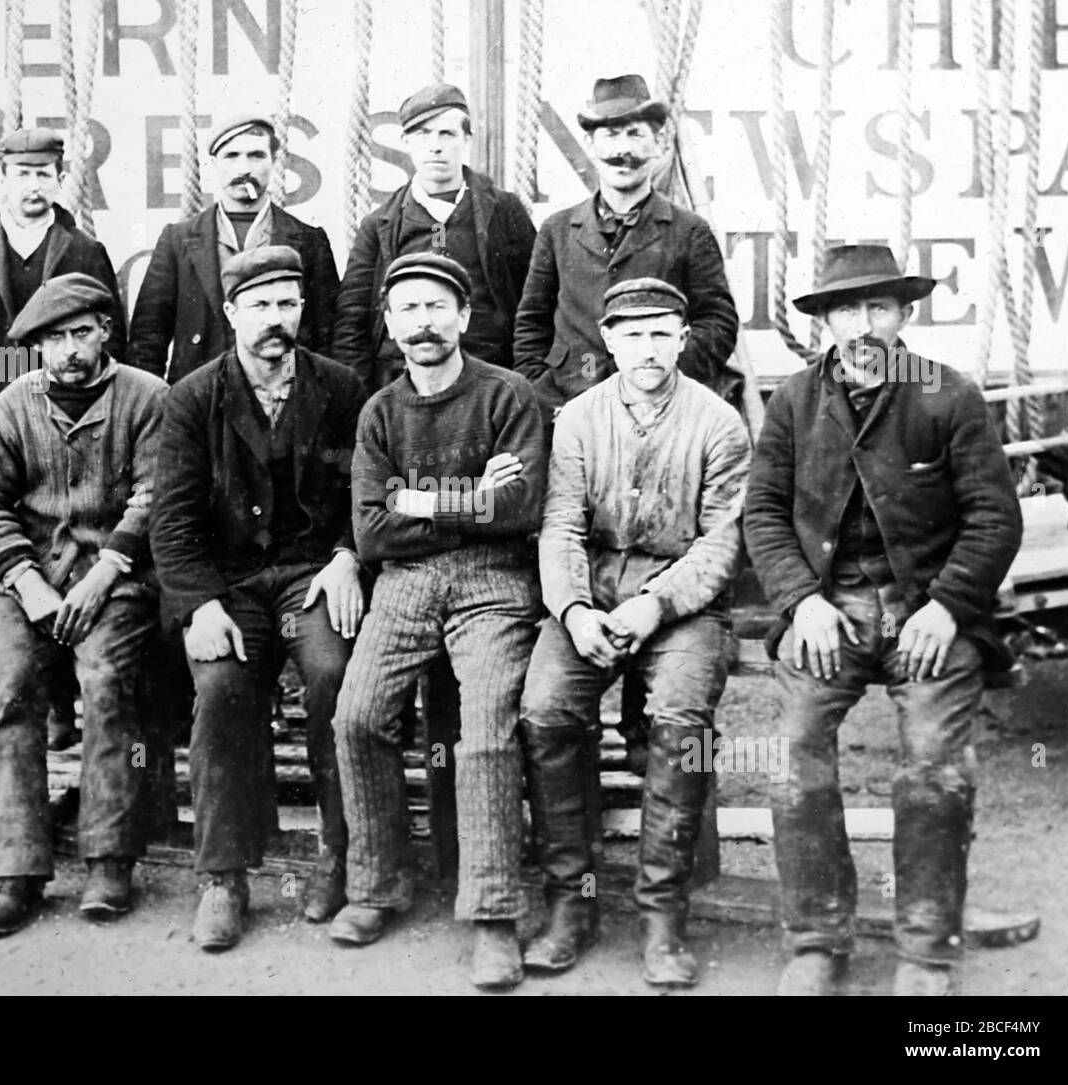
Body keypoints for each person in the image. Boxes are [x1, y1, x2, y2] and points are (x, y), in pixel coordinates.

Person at [742, 244, 1023, 996]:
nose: (861, 324)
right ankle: (815, 938)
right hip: (825, 613)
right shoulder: (794, 401)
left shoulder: (946, 395)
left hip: (925, 614)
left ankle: (928, 950)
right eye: (844, 309)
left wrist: (949, 605)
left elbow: (995, 518)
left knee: (932, 768)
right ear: (825, 321)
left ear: (903, 314)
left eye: (877, 307)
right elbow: (763, 513)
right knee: (793, 761)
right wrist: (801, 600)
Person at [521, 278, 750, 987]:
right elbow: (559, 525)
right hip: (592, 590)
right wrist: (574, 610)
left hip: (681, 599)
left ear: (684, 339)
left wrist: (657, 603)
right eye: (632, 333)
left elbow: (721, 543)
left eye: (661, 333)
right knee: (546, 710)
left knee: (682, 721)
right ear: (608, 340)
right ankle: (572, 900)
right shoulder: (578, 419)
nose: (646, 348)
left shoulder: (719, 423)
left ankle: (662, 913)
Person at [327, 253, 545, 990]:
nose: (422, 323)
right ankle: (375, 884)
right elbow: (371, 533)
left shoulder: (507, 395)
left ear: (463, 316)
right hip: (405, 581)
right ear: (389, 326)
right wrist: (467, 501)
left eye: (435, 307)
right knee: (356, 716)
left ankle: (492, 914)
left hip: (496, 581)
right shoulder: (381, 411)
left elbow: (518, 510)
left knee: (484, 729)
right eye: (407, 311)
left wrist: (418, 501)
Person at [149, 246, 368, 951]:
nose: (275, 319)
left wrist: (345, 556)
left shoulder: (339, 388)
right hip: (229, 582)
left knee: (334, 675)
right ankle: (222, 874)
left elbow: (365, 493)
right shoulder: (190, 396)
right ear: (232, 312)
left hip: (311, 572)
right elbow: (173, 518)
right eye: (261, 305)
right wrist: (199, 604)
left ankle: (338, 854)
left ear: (303, 309)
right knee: (219, 689)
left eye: (287, 303)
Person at [0, 273, 166, 937]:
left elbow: (152, 495)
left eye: (82, 332)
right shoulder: (10, 409)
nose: (70, 350)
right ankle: (17, 867)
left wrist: (103, 574)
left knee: (107, 685)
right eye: (55, 338)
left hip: (118, 579)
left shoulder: (146, 397)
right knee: (15, 695)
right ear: (37, 346)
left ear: (105, 330)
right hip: (30, 585)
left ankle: (110, 857)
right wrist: (31, 587)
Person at [0, 127, 126, 751]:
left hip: (71, 432)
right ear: (3, 180)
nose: (33, 185)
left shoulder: (84, 248)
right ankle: (40, 704)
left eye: (44, 174)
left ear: (59, 180)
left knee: (72, 554)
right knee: (10, 565)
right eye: (21, 174)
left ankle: (68, 707)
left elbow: (108, 340)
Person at [512, 74, 739, 419]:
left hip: (663, 409)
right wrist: (545, 394)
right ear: (590, 144)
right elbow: (531, 325)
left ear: (659, 142)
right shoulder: (556, 230)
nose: (623, 151)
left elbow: (718, 322)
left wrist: (663, 381)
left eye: (635, 134)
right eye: (611, 134)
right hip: (571, 406)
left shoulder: (689, 230)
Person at [333, 83, 537, 390]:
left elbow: (533, 306)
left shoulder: (505, 212)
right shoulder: (379, 225)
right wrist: (358, 398)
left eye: (447, 134)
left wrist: (525, 386)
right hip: (403, 380)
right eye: (423, 134)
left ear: (466, 139)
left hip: (490, 378)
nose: (435, 146)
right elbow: (352, 321)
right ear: (405, 141)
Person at [127, 112, 340, 385]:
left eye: (256, 155)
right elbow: (148, 340)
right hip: (199, 396)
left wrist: (296, 393)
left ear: (274, 162)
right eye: (231, 156)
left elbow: (323, 338)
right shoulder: (177, 240)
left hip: (282, 391)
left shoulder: (309, 240)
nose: (243, 169)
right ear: (214, 164)